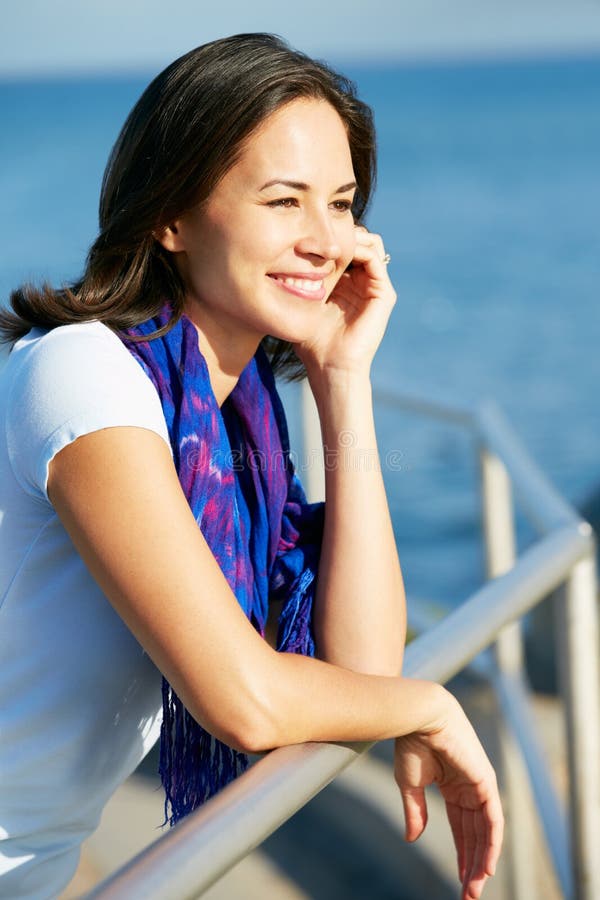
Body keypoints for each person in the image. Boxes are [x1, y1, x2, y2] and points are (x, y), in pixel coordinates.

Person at [0, 33, 503, 900]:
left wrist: (342, 382)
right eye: (283, 201)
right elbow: (246, 699)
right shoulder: (81, 373)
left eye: (342, 203)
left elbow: (360, 672)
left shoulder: (239, 430)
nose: (324, 240)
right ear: (172, 215)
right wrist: (432, 705)